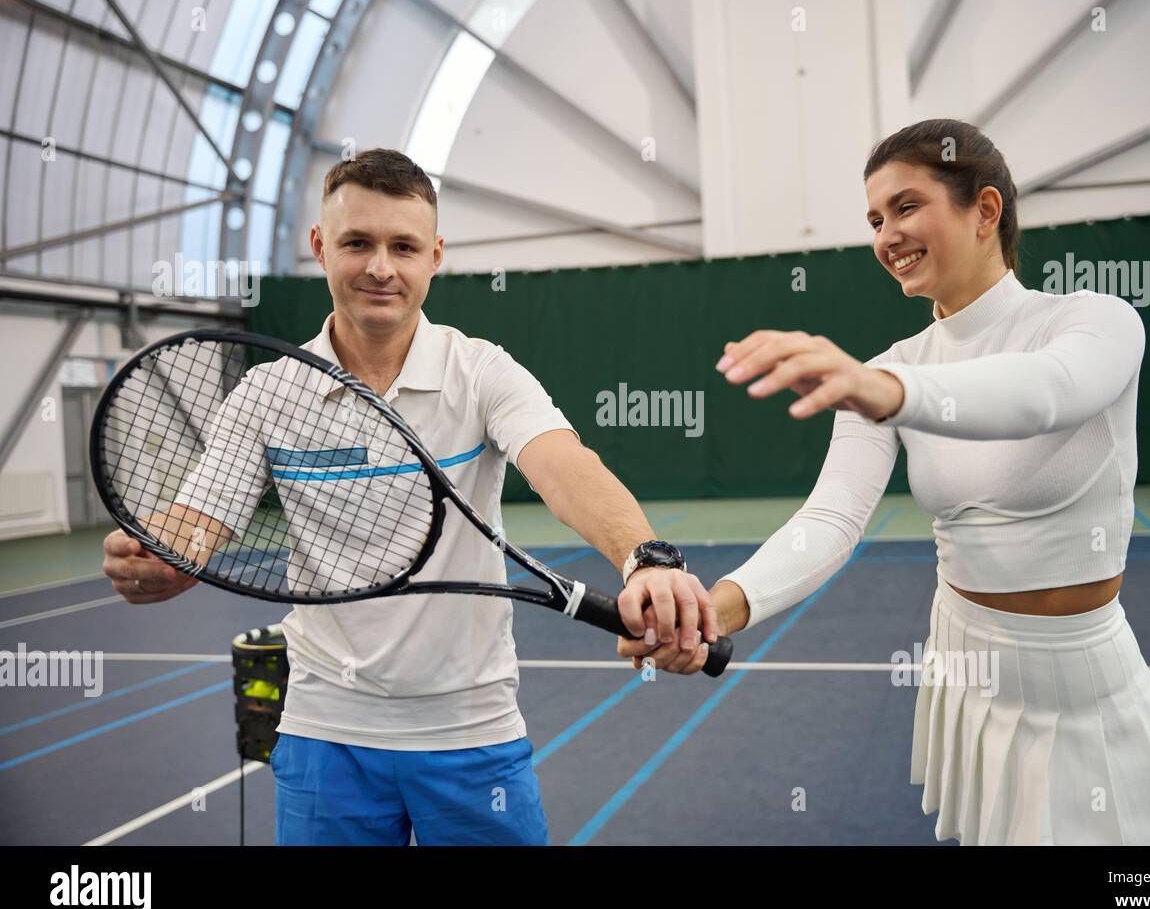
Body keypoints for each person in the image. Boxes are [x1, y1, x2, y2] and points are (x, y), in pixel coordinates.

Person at [102, 148, 719, 845]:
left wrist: (645, 557)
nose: (380, 267)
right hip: (322, 732)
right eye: (357, 242)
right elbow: (197, 522)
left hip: (470, 730)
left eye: (404, 246)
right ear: (320, 247)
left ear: (436, 256)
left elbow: (564, 465)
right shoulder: (268, 394)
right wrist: (159, 554)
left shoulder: (482, 370)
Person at [620, 119, 1150, 846]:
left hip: (1090, 679)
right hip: (970, 668)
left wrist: (891, 389)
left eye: (905, 207)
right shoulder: (890, 367)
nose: (885, 236)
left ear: (985, 210)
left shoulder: (1094, 321)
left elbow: (1048, 392)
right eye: (874, 220)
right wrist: (718, 609)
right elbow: (830, 520)